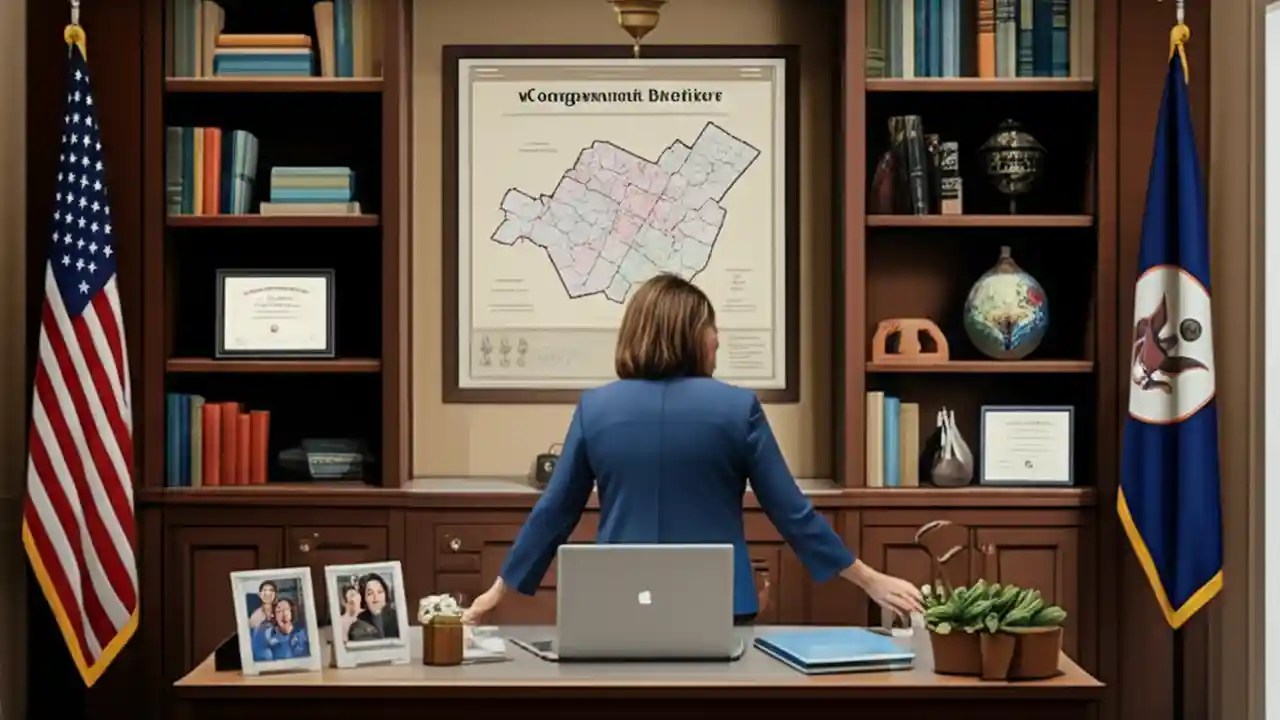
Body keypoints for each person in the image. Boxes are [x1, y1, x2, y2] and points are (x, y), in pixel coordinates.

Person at [462, 273, 923, 626]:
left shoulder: (596, 408)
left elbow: (556, 510)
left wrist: (497, 592)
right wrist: (870, 579)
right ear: (690, 334)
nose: (718, 338)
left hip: (617, 603)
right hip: (720, 604)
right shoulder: (738, 409)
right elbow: (792, 513)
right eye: (711, 327)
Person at [355, 572, 400, 639]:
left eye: (380, 592)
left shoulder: (397, 617)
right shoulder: (360, 620)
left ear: (386, 595)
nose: (376, 598)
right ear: (364, 598)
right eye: (370, 593)